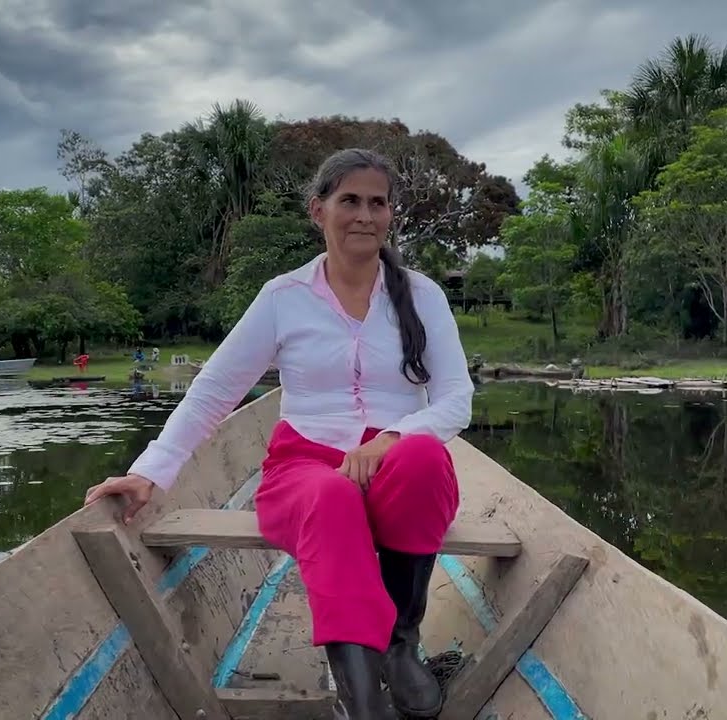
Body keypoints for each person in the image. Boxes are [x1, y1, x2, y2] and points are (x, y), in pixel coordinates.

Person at [83, 148, 474, 719]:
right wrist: (150, 471)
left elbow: (456, 400)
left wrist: (390, 437)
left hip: (394, 465)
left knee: (421, 458)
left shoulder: (422, 295)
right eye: (349, 201)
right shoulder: (283, 297)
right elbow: (215, 390)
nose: (364, 215)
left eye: (377, 203)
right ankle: (362, 703)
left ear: (391, 214)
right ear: (319, 211)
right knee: (330, 495)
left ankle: (398, 646)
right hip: (305, 466)